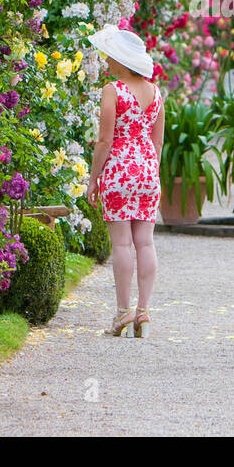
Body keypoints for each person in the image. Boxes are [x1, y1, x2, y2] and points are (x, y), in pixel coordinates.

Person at [85, 24, 163, 338]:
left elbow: (104, 140)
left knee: (121, 243)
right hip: (147, 171)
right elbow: (157, 143)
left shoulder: (113, 90)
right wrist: (150, 172)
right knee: (145, 242)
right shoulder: (156, 92)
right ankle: (143, 310)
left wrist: (93, 178)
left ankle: (121, 313)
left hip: (118, 170)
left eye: (109, 57)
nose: (105, 61)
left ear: (120, 62)